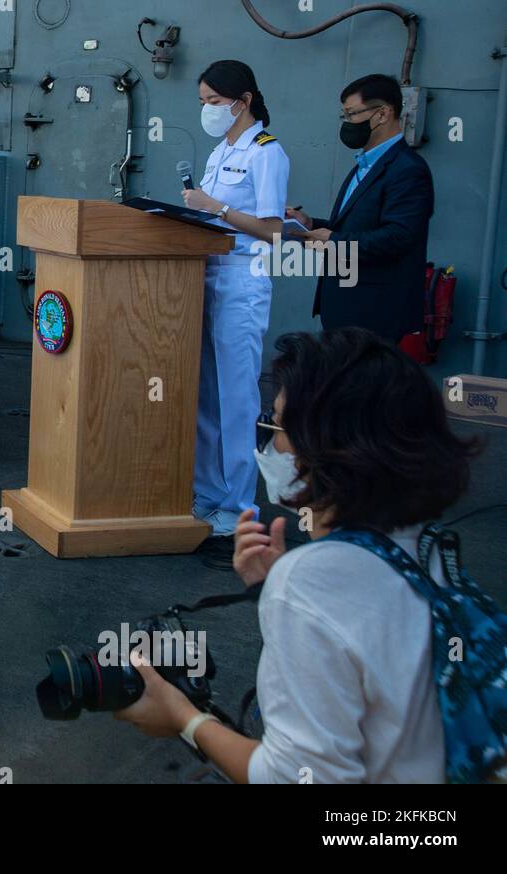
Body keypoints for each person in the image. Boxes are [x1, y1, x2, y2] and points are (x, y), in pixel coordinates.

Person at [115, 328, 478, 783]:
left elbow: (291, 777)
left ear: (327, 450)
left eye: (279, 426)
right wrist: (273, 589)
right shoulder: (431, 549)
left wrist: (184, 720)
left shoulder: (313, 582)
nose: (271, 444)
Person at [181, 60, 290, 538]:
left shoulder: (267, 152)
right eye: (202, 102)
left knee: (237, 397)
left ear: (242, 102)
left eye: (214, 102)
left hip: (243, 279)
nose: (207, 110)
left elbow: (272, 230)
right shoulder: (218, 151)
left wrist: (217, 207)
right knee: (205, 395)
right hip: (204, 272)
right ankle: (208, 494)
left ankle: (239, 505)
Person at [286, 74, 434, 343]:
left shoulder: (407, 169)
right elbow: (354, 228)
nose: (347, 123)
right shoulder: (365, 165)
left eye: (352, 114)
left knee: (364, 384)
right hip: (344, 305)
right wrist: (311, 225)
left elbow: (398, 237)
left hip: (375, 310)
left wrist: (333, 241)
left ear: (382, 114)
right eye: (344, 115)